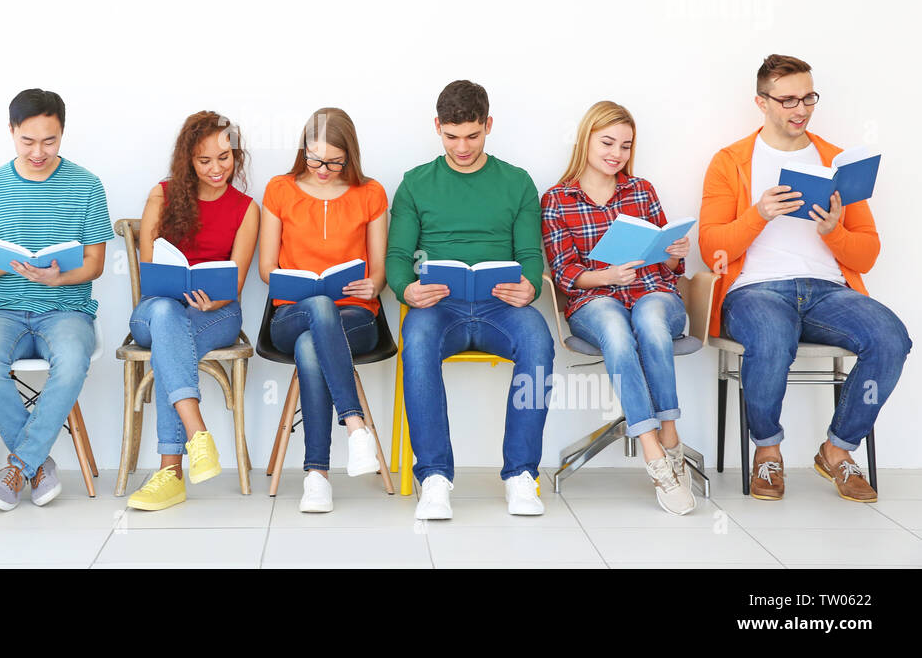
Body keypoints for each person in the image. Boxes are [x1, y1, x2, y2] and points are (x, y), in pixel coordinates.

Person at [700, 54, 910, 502]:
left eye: (808, 97)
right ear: (761, 101)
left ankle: (836, 450)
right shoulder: (730, 162)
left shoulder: (835, 160)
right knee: (773, 337)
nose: (801, 109)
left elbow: (868, 253)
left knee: (891, 337)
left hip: (827, 292)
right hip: (755, 291)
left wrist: (834, 234)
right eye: (788, 99)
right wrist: (758, 214)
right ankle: (768, 453)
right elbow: (712, 249)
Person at [387, 80, 555, 520]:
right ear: (437, 128)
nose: (462, 147)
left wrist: (531, 286)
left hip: (501, 304)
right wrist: (407, 289)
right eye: (451, 136)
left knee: (539, 342)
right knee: (417, 343)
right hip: (438, 307)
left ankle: (521, 476)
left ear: (488, 126)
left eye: (473, 135)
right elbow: (398, 257)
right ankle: (435, 478)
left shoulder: (517, 183)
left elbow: (530, 256)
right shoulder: (414, 184)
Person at [541, 101, 695, 515]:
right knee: (615, 327)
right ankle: (654, 452)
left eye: (625, 146)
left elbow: (668, 263)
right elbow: (563, 272)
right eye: (607, 142)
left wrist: (674, 252)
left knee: (646, 316)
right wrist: (608, 278)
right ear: (586, 140)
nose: (616, 153)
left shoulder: (640, 190)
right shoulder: (557, 198)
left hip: (654, 294)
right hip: (595, 300)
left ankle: (670, 432)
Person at [0, 88, 114, 512]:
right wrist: (8, 264)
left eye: (49, 141)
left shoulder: (87, 185)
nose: (38, 152)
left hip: (67, 309)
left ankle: (16, 468)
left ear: (62, 133)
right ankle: (37, 464)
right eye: (28, 141)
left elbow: (95, 264)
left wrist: (58, 278)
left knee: (71, 362)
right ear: (11, 132)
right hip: (6, 309)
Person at [125, 112, 259, 511]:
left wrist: (216, 298)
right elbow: (151, 273)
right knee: (167, 316)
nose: (217, 169)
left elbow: (235, 282)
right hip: (155, 311)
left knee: (173, 343)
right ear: (188, 161)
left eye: (225, 157)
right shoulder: (161, 196)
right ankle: (197, 433)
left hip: (216, 315)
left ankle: (170, 473)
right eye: (205, 161)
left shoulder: (247, 209)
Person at [259, 108, 389, 513]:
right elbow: (266, 270)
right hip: (290, 315)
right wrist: (301, 283)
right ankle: (356, 426)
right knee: (316, 307)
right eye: (315, 158)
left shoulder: (371, 193)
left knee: (312, 348)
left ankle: (316, 476)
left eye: (335, 161)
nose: (323, 169)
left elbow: (380, 271)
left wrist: (374, 283)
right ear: (303, 151)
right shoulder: (279, 189)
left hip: (357, 318)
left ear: (350, 155)